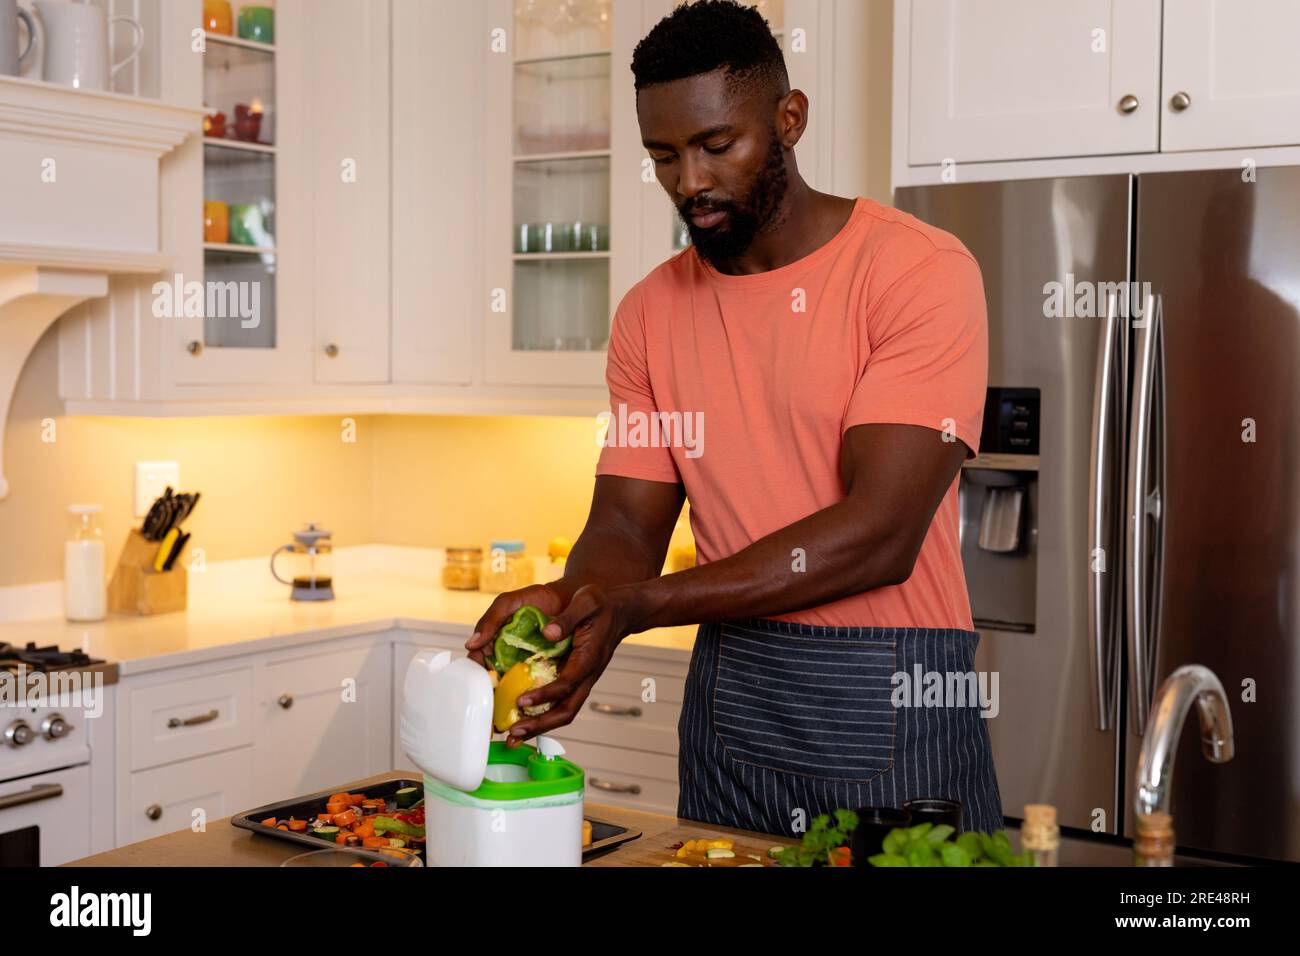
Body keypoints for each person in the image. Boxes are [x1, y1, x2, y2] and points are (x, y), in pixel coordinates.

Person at [467, 0, 1002, 835]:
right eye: (664, 156)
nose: (691, 181)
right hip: (733, 692)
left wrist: (638, 606)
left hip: (896, 690)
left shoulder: (916, 272)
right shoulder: (649, 313)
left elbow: (881, 532)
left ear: (789, 119)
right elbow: (623, 520)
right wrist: (570, 606)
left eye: (718, 145)